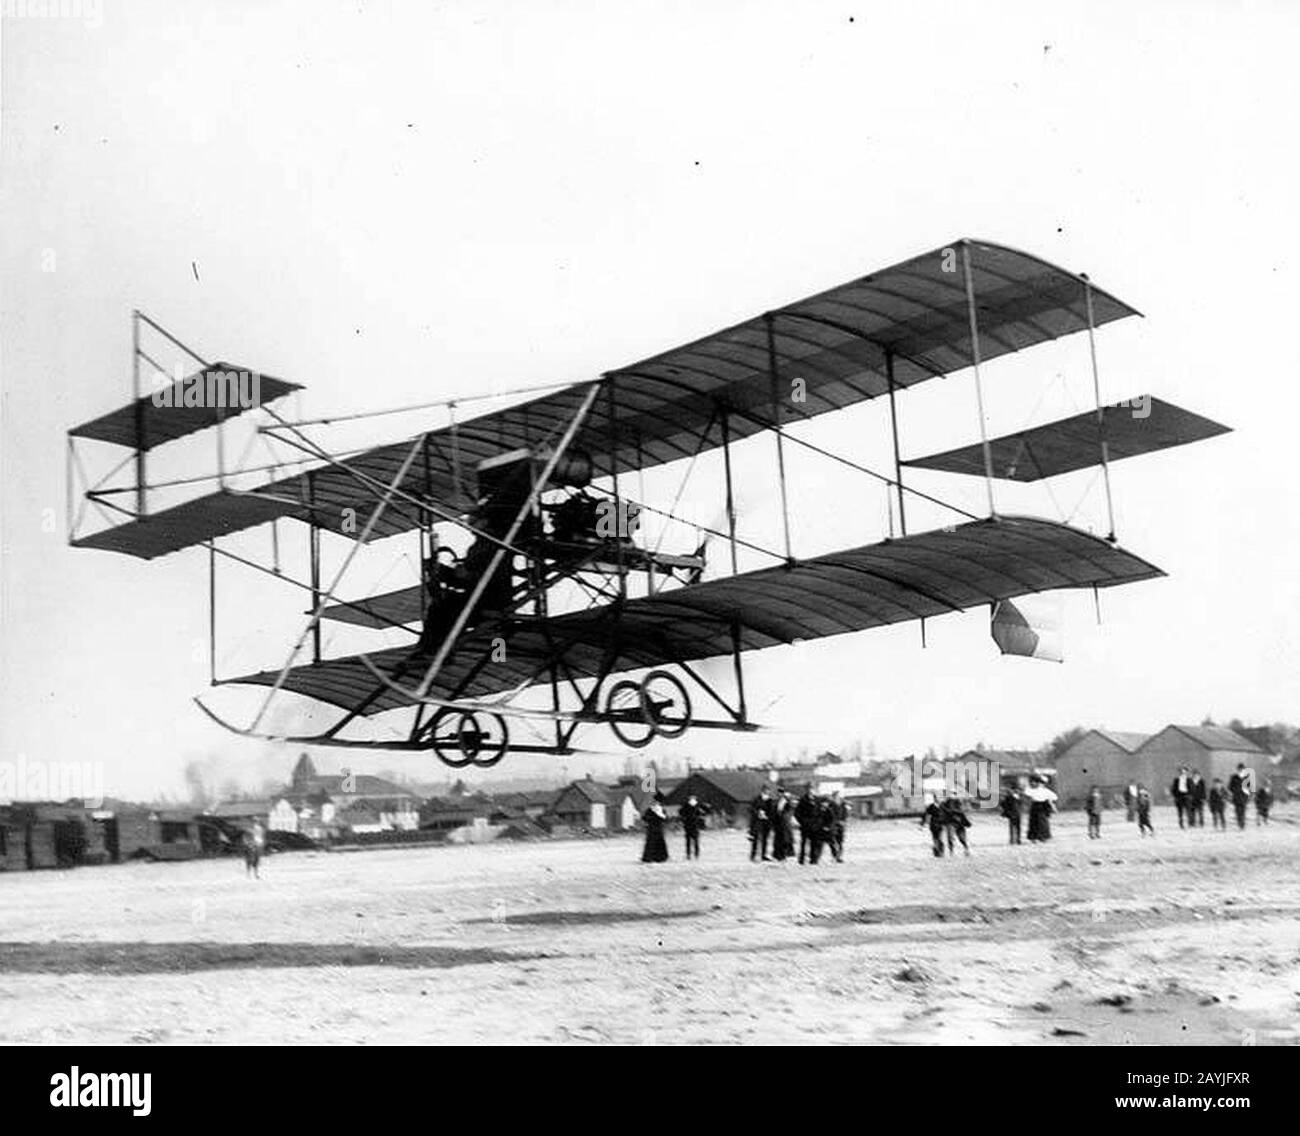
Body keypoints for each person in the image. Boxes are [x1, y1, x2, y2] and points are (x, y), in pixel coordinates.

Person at [1025, 776, 1058, 842]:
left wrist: (1050, 803)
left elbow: (1054, 797)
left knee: (1040, 823)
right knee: (1038, 822)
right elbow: (1054, 797)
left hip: (1040, 806)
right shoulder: (1042, 790)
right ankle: (1039, 837)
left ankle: (1039, 837)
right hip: (1037, 806)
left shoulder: (1041, 790)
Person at [640, 792, 669, 862]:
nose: (656, 803)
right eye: (655, 802)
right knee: (651, 843)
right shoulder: (650, 809)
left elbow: (666, 819)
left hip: (658, 828)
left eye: (658, 802)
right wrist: (651, 818)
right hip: (652, 828)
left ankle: (660, 857)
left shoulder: (661, 810)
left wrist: (661, 816)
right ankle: (651, 858)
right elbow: (644, 818)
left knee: (658, 843)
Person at [748, 786, 774, 862]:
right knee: (755, 840)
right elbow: (751, 809)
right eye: (766, 791)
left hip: (766, 823)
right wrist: (758, 813)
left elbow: (772, 811)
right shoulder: (756, 799)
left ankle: (763, 856)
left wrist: (767, 816)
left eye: (768, 791)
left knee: (765, 840)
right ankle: (753, 856)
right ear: (762, 791)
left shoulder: (770, 801)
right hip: (757, 822)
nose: (767, 793)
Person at [795, 786, 818, 864]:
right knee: (803, 843)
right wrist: (802, 821)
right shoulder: (803, 800)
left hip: (814, 826)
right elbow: (797, 812)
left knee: (814, 844)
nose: (811, 791)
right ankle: (801, 860)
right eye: (809, 790)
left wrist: (818, 823)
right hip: (805, 825)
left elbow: (820, 813)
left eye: (812, 790)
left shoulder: (817, 800)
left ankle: (813, 859)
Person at [679, 794, 706, 860]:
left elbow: (680, 812)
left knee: (689, 842)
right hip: (694, 825)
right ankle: (696, 854)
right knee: (695, 841)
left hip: (688, 825)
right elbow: (703, 812)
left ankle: (689, 855)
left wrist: (684, 818)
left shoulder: (686, 806)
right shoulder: (698, 806)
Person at [771, 790, 795, 861]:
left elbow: (789, 813)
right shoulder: (776, 802)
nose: (779, 794)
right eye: (778, 793)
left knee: (784, 840)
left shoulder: (788, 802)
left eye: (781, 793)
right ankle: (776, 856)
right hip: (777, 824)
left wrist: (782, 816)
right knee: (777, 840)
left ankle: (784, 856)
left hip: (785, 824)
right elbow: (774, 812)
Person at [1228, 763, 1253, 830]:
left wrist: (1249, 794)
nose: (1241, 770)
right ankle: (1239, 823)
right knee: (1237, 811)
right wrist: (1234, 791)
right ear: (1237, 769)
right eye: (1239, 769)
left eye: (1242, 769)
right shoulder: (1233, 777)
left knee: (1243, 811)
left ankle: (1242, 824)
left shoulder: (1247, 777)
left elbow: (1250, 787)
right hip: (1236, 797)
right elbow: (1230, 787)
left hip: (1244, 797)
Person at [828, 791, 849, 863]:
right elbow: (829, 815)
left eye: (837, 796)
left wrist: (843, 821)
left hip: (841, 825)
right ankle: (834, 855)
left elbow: (845, 813)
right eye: (834, 796)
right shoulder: (830, 805)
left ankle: (839, 857)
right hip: (832, 825)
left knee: (840, 842)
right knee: (832, 841)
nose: (836, 798)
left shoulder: (843, 804)